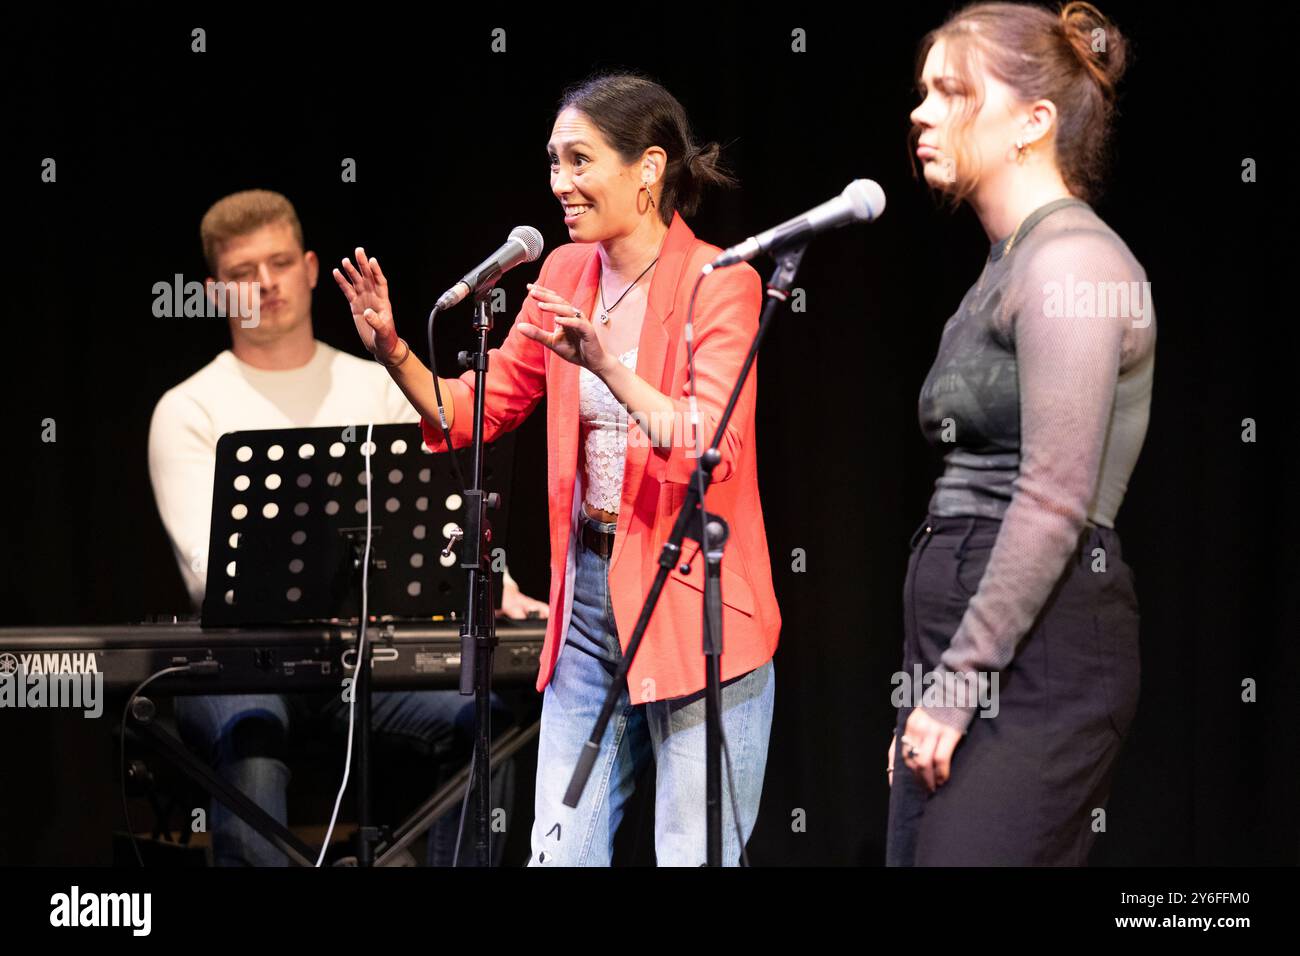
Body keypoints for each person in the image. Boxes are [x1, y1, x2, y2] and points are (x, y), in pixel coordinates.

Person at [333, 74, 781, 866]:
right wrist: (395, 350)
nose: (559, 185)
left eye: (579, 162)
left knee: (693, 857)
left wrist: (612, 367)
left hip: (693, 608)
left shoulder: (722, 282)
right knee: (559, 855)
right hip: (586, 607)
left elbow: (710, 440)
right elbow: (479, 412)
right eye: (552, 162)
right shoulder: (566, 275)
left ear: (648, 169)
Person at [148, 189, 544, 865]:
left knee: (481, 725)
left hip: (359, 660)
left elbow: (437, 524)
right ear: (216, 293)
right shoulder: (187, 408)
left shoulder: (378, 386)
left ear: (308, 268)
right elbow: (206, 570)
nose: (266, 285)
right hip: (245, 666)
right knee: (251, 731)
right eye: (245, 274)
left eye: (279, 263)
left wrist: (499, 590)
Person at [887, 1, 1155, 865]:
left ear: (1033, 122)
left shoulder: (1075, 263)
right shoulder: (1002, 267)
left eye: (953, 91)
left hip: (1044, 652)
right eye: (924, 91)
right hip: (963, 639)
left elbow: (1050, 498)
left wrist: (955, 689)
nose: (923, 112)